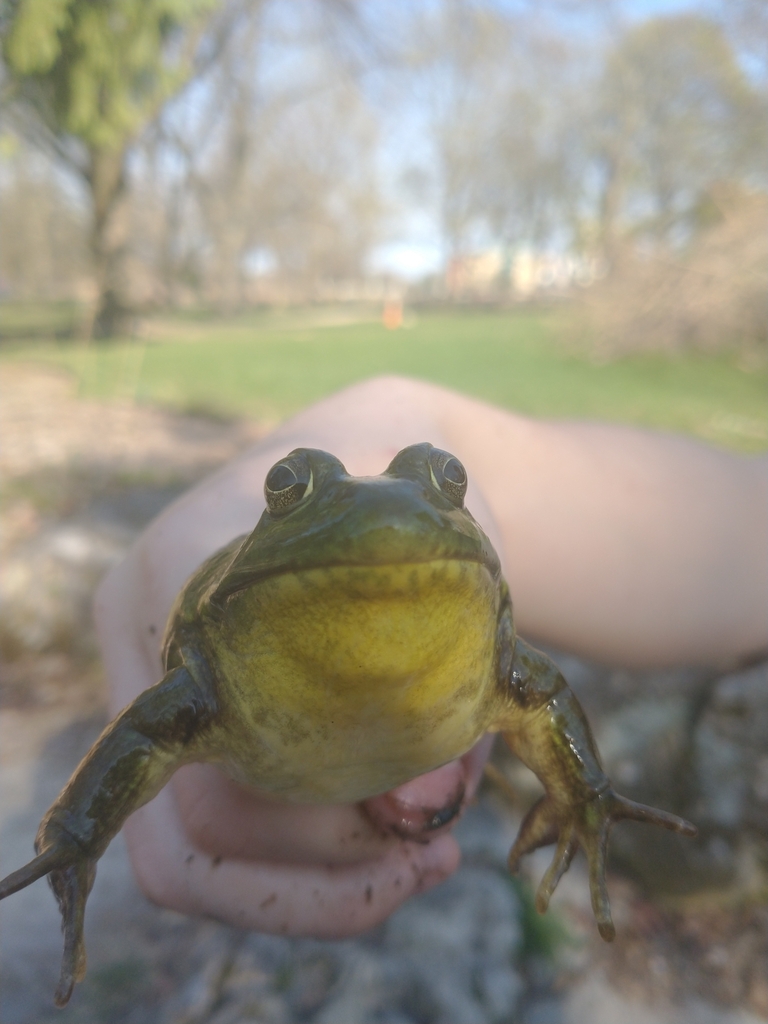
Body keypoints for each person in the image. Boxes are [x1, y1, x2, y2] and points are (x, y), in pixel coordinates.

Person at [94, 375, 768, 938]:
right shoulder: (212, 675)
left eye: (449, 481)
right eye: (289, 489)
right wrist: (416, 409)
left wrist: (582, 796)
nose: (391, 517)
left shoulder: (499, 666)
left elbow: (548, 699)